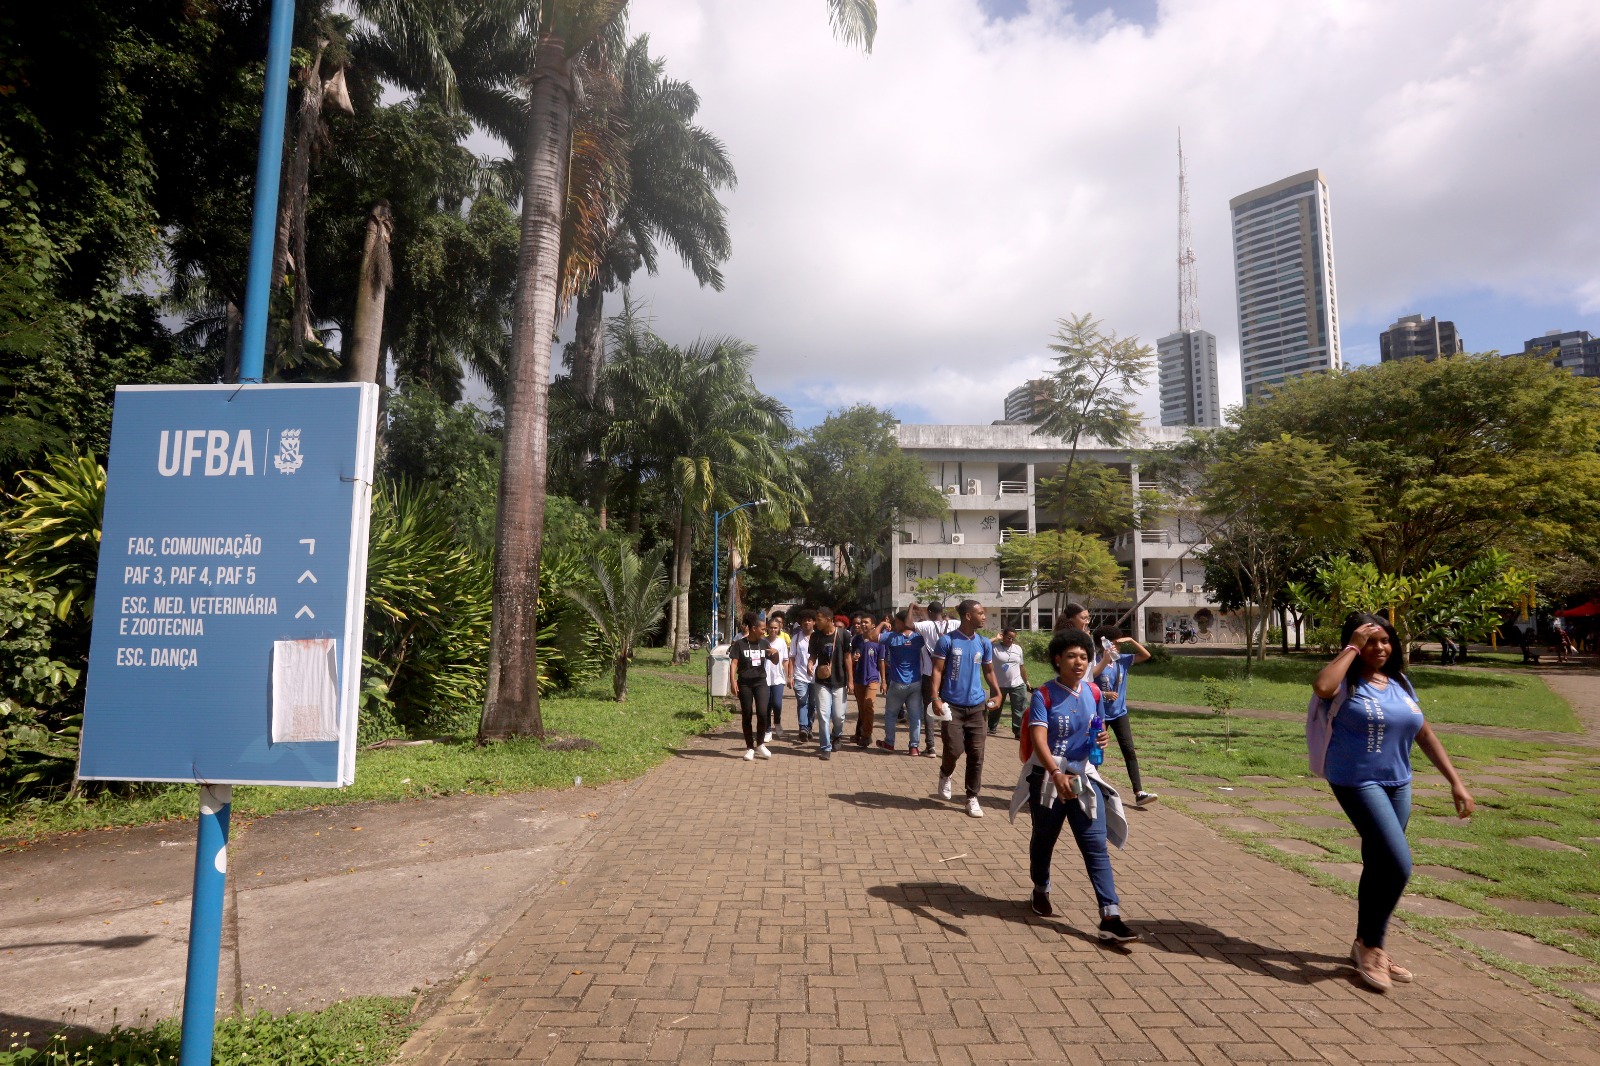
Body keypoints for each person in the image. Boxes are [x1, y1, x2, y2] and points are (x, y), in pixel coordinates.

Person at [1311, 612, 1475, 993]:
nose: (1379, 648)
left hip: (1398, 783)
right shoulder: (1345, 680)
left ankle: (1364, 945)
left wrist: (1456, 781)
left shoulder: (1399, 681)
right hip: (1356, 780)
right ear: (1353, 643)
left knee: (1379, 864)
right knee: (1399, 865)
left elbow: (1424, 732)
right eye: (1370, 641)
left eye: (1385, 640)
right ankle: (1373, 947)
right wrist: (1352, 646)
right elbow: (1321, 686)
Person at [1009, 627, 1138, 942]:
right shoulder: (1044, 694)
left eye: (1084, 656)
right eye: (1072, 656)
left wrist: (1102, 738)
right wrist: (1055, 773)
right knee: (1044, 840)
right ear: (1058, 660)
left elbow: (1097, 728)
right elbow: (1039, 737)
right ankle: (1041, 887)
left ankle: (1110, 915)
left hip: (1081, 778)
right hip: (1048, 779)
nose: (1079, 662)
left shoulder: (1093, 693)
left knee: (1094, 845)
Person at [929, 599, 1002, 818]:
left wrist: (997, 693)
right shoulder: (947, 641)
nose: (984, 617)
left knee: (976, 754)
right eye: (980, 613)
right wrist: (935, 698)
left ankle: (972, 797)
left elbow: (988, 671)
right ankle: (945, 773)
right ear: (968, 616)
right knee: (953, 749)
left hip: (978, 706)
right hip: (952, 707)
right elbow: (937, 671)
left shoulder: (983, 643)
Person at [1091, 626, 1158, 806]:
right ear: (1106, 643)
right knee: (1097, 751)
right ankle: (1092, 789)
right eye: (1116, 642)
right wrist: (1104, 695)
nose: (1118, 646)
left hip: (1119, 713)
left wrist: (1131, 641)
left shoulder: (1122, 661)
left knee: (1129, 750)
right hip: (1100, 714)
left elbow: (1146, 655)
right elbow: (1089, 682)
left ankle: (1139, 792)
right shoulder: (1096, 662)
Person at [728, 612, 778, 762]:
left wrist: (776, 653)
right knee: (747, 714)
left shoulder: (764, 643)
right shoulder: (740, 644)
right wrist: (732, 681)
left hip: (761, 682)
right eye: (763, 629)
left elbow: (775, 661)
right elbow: (734, 663)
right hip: (745, 683)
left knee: (763, 713)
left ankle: (760, 744)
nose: (765, 632)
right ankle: (750, 747)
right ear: (754, 628)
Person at [914, 601, 959, 759]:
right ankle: (949, 745)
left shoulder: (926, 626)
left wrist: (913, 606)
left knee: (929, 709)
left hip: (930, 673)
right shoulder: (954, 623)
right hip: (949, 672)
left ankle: (931, 746)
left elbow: (906, 624)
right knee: (949, 707)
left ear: (930, 611)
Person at [809, 608, 853, 760]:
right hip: (822, 682)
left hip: (839, 681)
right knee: (823, 715)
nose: (816, 622)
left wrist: (851, 681)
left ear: (829, 619)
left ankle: (837, 735)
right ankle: (825, 747)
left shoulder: (843, 635)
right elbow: (813, 655)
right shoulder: (815, 636)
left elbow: (848, 658)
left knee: (839, 716)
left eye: (819, 619)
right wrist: (810, 663)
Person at [878, 610, 924, 755]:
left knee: (891, 714)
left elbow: (872, 637)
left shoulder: (892, 637)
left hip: (897, 682)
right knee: (915, 716)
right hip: (916, 682)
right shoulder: (919, 638)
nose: (894, 624)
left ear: (903, 622)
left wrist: (881, 624)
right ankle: (914, 747)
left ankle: (889, 743)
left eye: (896, 621)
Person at [850, 611, 884, 747]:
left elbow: (881, 661)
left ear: (873, 625)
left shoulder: (879, 641)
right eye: (861, 622)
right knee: (862, 708)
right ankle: (862, 733)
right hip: (859, 678)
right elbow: (850, 658)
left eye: (866, 622)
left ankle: (866, 735)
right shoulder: (856, 639)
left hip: (873, 678)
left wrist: (884, 681)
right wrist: (853, 659)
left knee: (868, 706)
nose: (863, 624)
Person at [990, 627, 1031, 737]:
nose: (1010, 640)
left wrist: (1026, 681)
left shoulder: (1018, 649)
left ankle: (1018, 731)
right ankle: (991, 727)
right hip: (999, 684)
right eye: (1008, 637)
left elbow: (1021, 666)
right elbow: (982, 644)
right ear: (1003, 636)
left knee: (1019, 709)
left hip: (1017, 683)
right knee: (995, 708)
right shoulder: (994, 648)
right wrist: (996, 638)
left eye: (1013, 638)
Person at [789, 609, 817, 742]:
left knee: (813, 704)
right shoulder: (796, 638)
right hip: (800, 675)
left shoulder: (819, 637)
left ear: (814, 622)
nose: (807, 622)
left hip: (817, 677)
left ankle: (809, 727)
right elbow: (792, 658)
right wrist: (790, 675)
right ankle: (803, 728)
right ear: (800, 622)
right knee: (802, 701)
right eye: (804, 620)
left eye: (809, 620)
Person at [764, 615, 790, 742]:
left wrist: (789, 675)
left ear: (779, 628)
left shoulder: (781, 642)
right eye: (771, 628)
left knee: (777, 704)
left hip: (778, 677)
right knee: (766, 705)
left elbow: (785, 660)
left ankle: (777, 722)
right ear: (767, 628)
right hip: (764, 678)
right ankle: (767, 729)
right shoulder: (762, 641)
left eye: (775, 628)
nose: (773, 630)